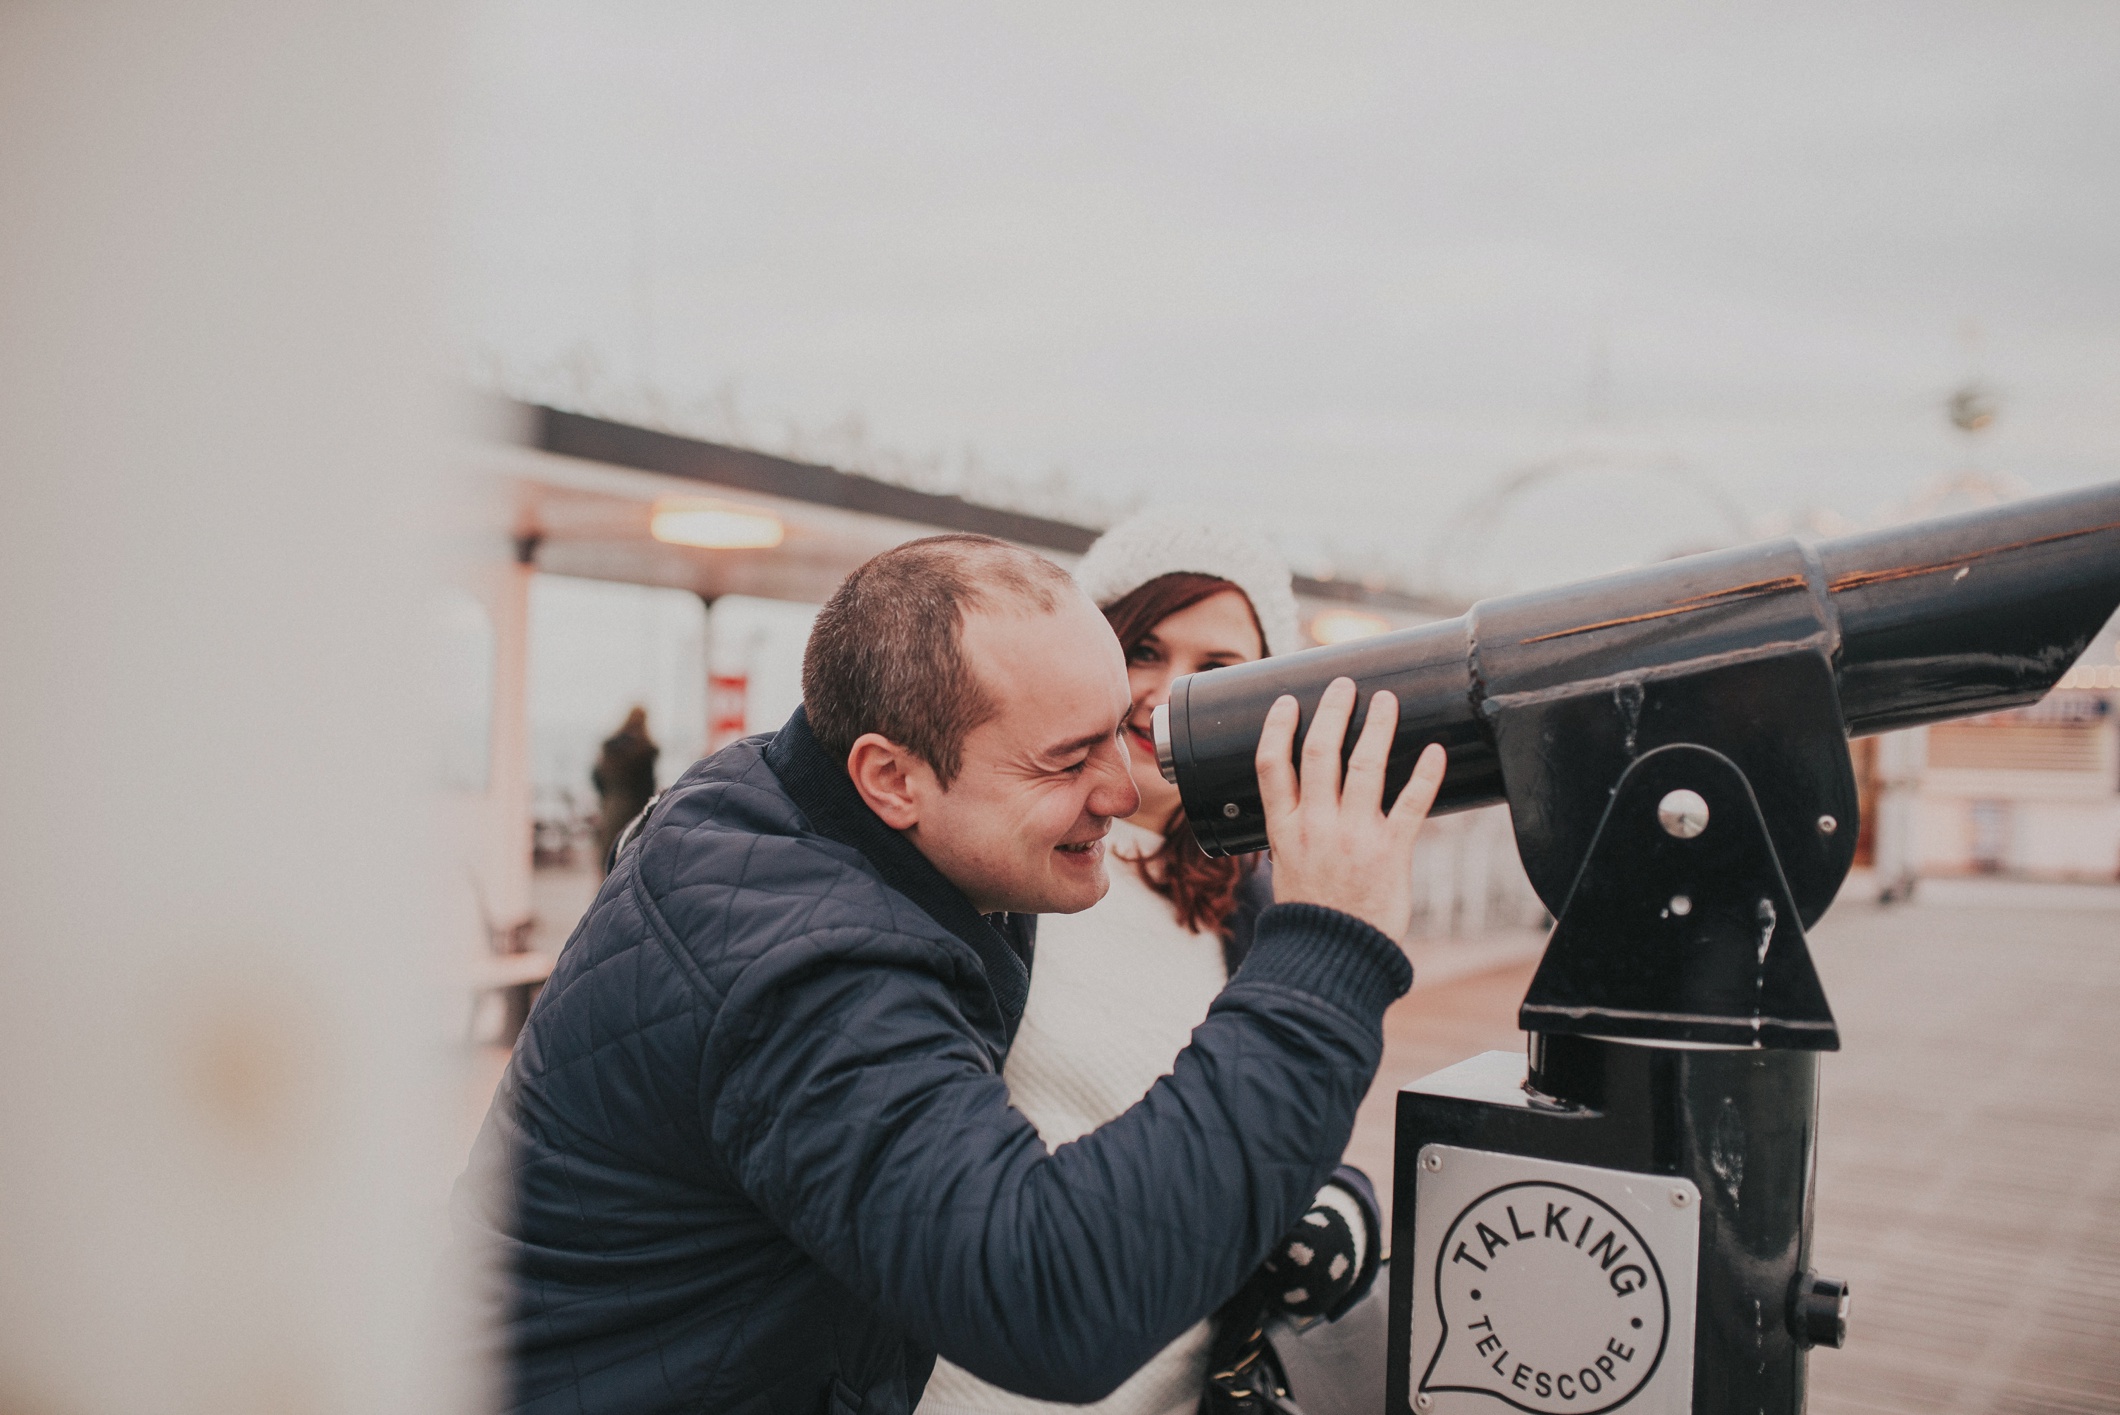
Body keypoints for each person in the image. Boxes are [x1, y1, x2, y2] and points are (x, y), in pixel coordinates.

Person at [458, 533, 1447, 1415]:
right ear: (891, 776)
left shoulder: (822, 812)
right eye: (1064, 760)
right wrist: (1328, 946)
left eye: (1115, 730)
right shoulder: (801, 961)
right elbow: (1050, 1292)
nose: (1118, 786)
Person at [918, 513, 1380, 1415]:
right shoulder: (991, 870)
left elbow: (1251, 1107)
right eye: (1143, 649)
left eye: (1219, 672)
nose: (1173, 695)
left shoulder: (1254, 902)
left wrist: (1339, 1194)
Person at [590, 704, 658, 874]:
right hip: (634, 810)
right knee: (628, 856)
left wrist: (606, 797)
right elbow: (648, 787)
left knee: (607, 853)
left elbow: (596, 777)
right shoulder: (646, 750)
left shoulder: (611, 746)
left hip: (611, 807)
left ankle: (604, 893)